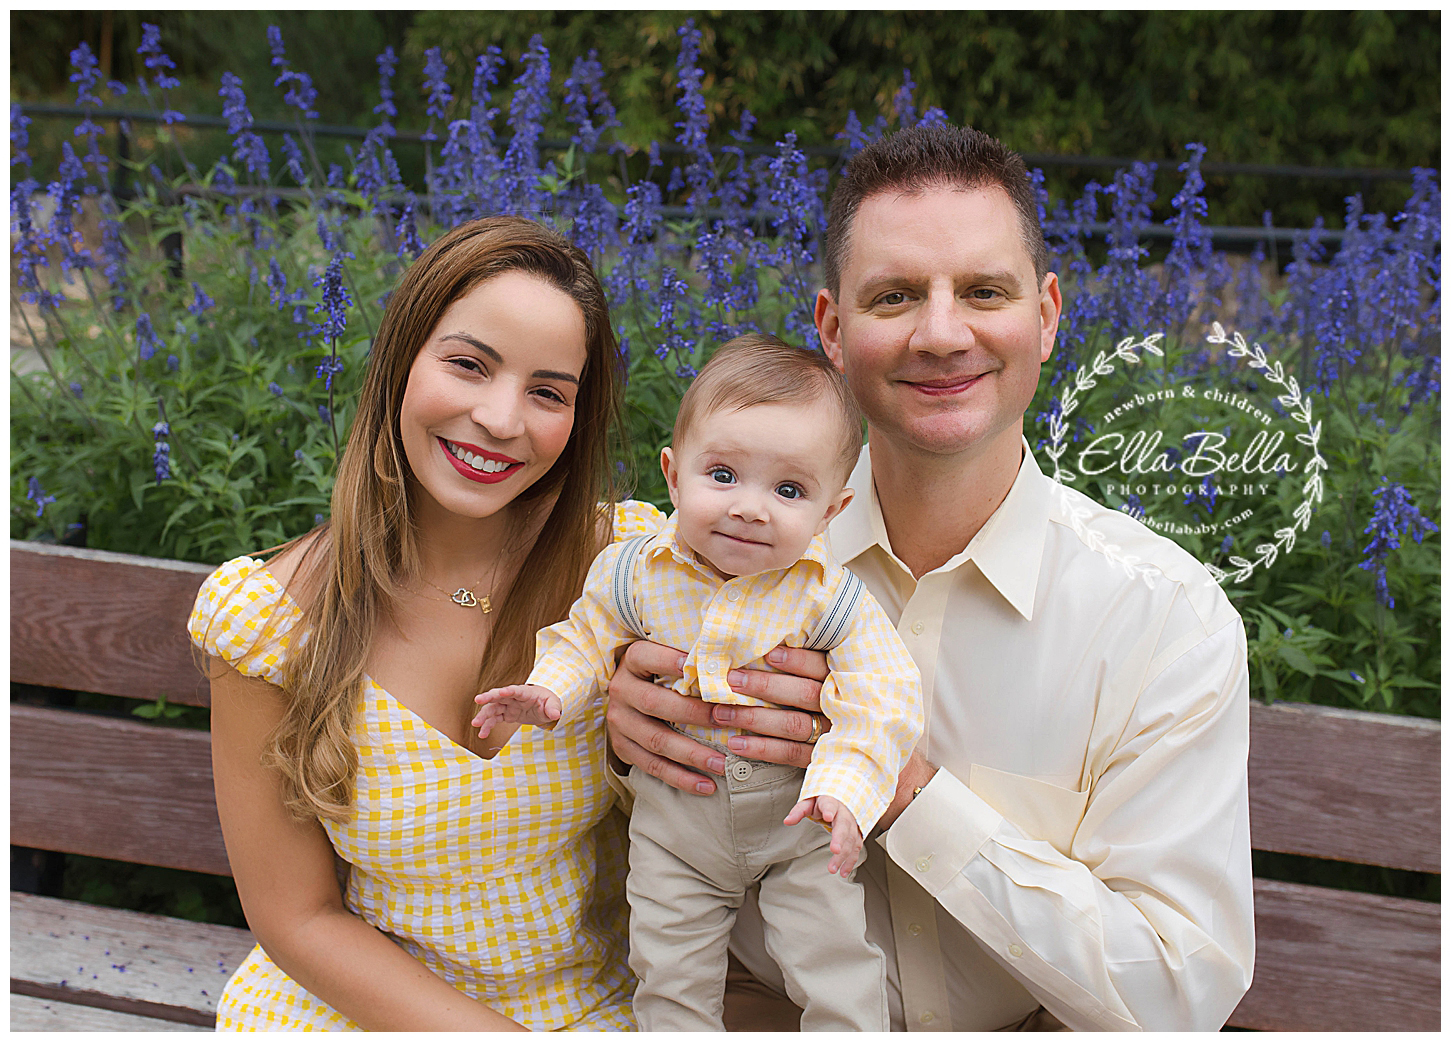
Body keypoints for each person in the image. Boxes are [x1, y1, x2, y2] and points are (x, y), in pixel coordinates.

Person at [607, 123, 1255, 1031]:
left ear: (1047, 313)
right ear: (832, 329)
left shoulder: (1160, 621)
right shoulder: (700, 554)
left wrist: (906, 795)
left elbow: (1175, 995)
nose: (942, 333)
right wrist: (619, 736)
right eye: (895, 296)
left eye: (983, 291)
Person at [189, 216, 657, 1030]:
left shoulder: (626, 573)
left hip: (587, 1007)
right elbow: (296, 918)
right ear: (400, 360)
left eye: (547, 391)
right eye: (469, 365)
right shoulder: (270, 623)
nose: (502, 419)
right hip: (366, 1008)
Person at [472, 333, 924, 1031]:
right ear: (672, 474)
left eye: (788, 489)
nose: (750, 507)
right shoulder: (635, 573)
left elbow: (882, 695)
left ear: (830, 511)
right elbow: (584, 638)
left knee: (833, 956)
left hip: (795, 822)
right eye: (722, 475)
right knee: (669, 965)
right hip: (677, 827)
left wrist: (846, 791)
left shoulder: (826, 599)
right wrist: (551, 690)